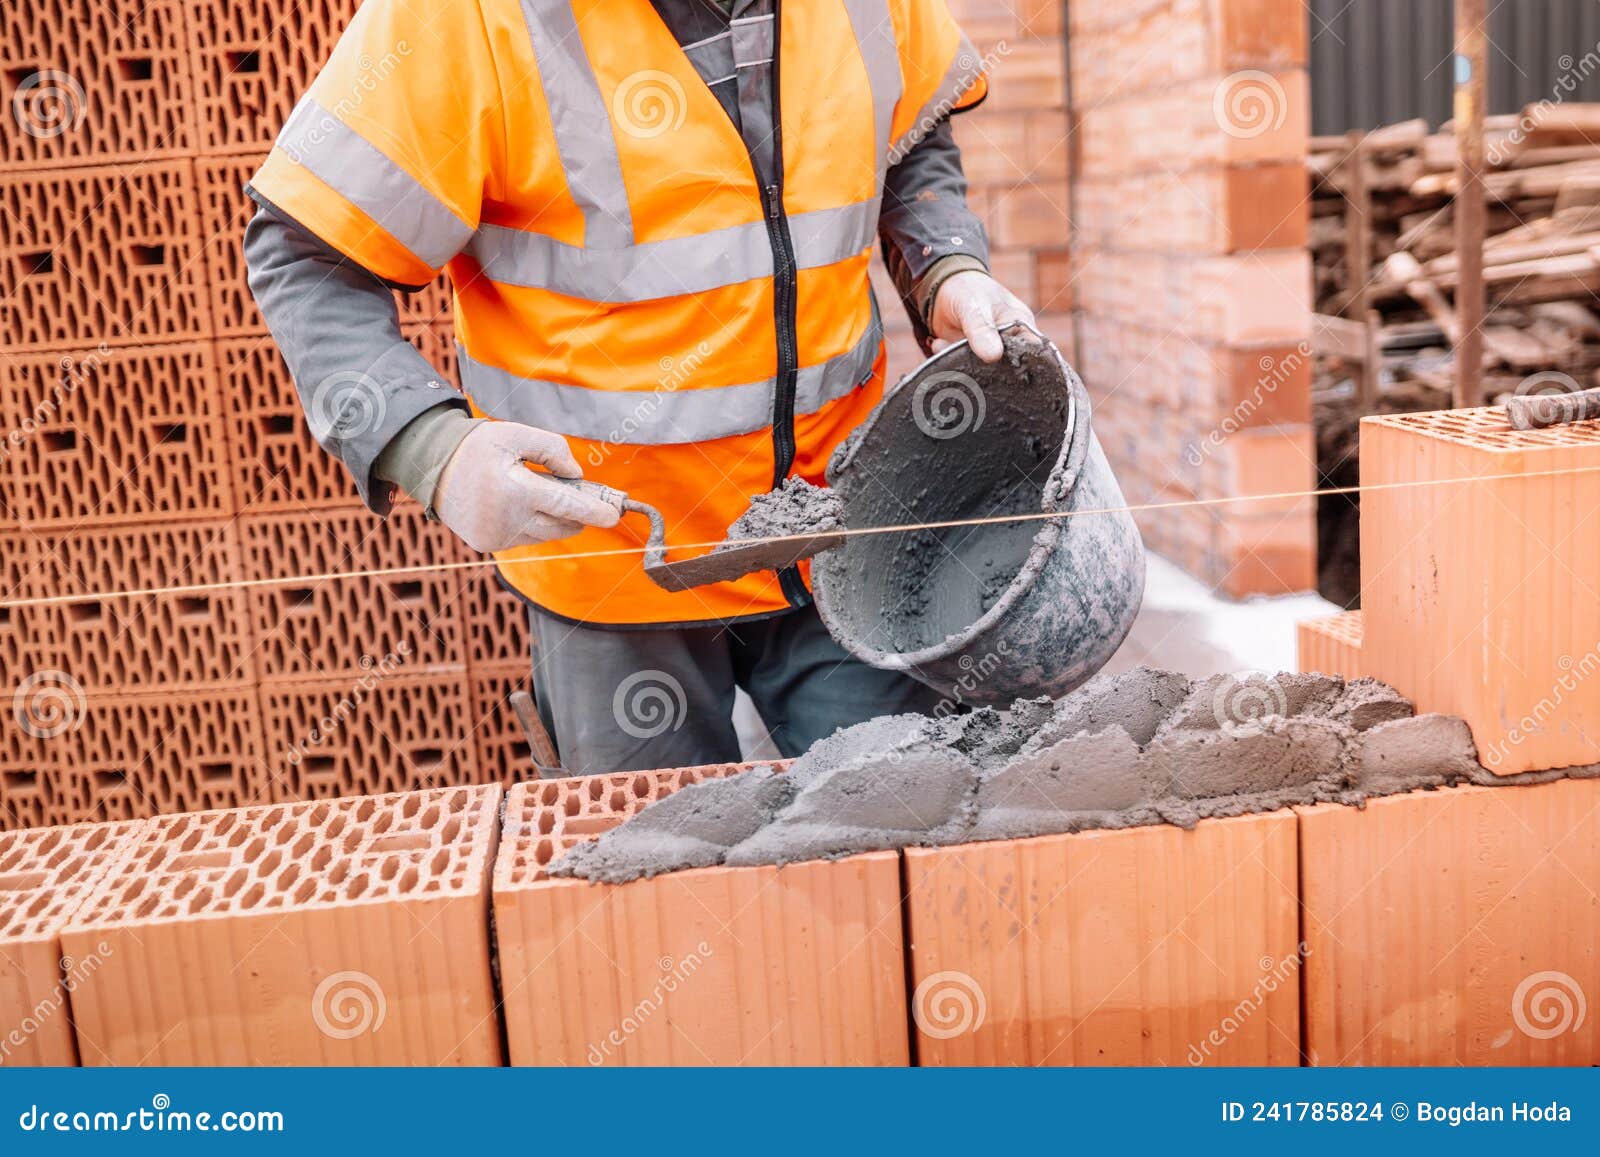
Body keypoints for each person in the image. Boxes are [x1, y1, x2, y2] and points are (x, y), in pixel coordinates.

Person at [245, 0, 1037, 774]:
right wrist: (431, 448)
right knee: (657, 856)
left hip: (841, 526)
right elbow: (308, 253)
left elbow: (911, 129)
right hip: (612, 563)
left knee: (898, 824)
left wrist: (944, 266)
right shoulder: (466, 17)